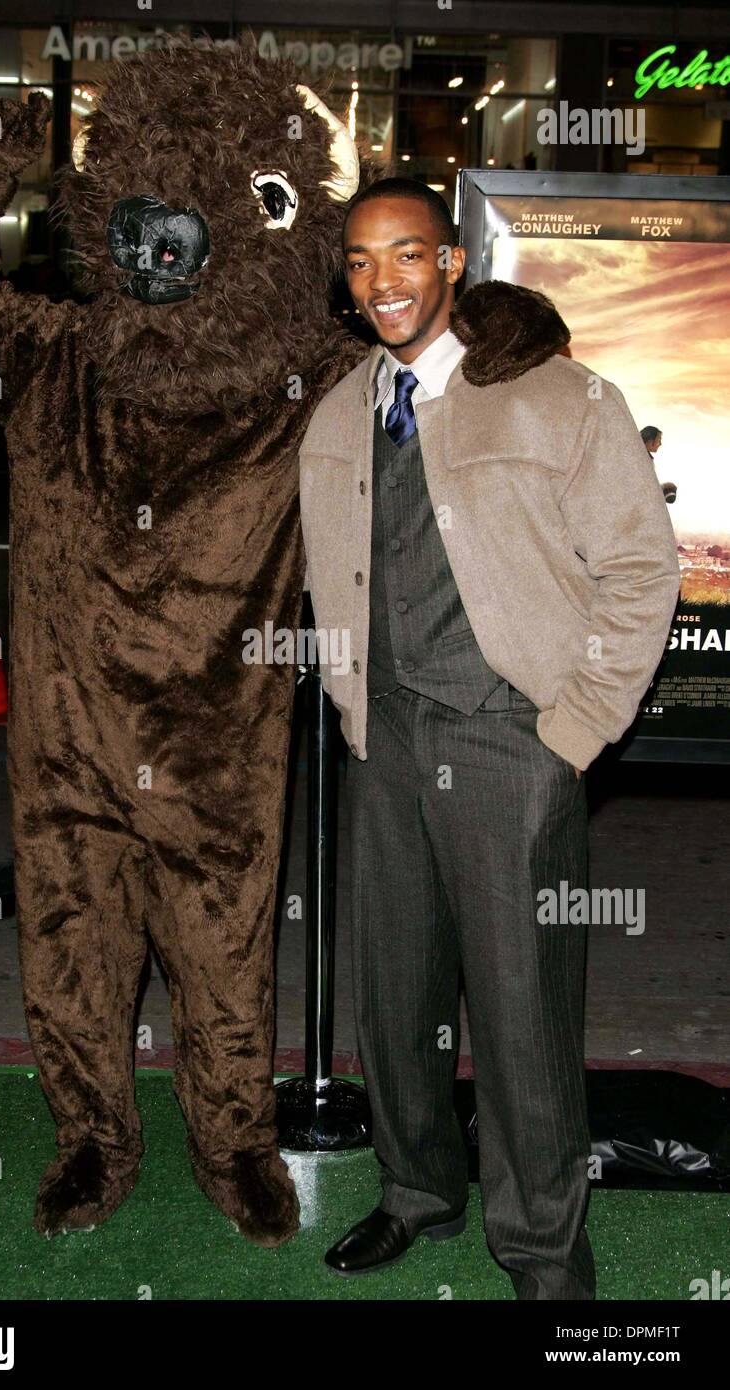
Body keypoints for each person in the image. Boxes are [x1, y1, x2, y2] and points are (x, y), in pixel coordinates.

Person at [299, 178, 680, 1299]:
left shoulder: (560, 398)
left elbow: (641, 570)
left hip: (515, 741)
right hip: (388, 743)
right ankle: (418, 1193)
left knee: (521, 1014)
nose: (385, 282)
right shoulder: (337, 414)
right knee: (396, 997)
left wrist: (573, 731)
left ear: (452, 261)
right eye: (363, 262)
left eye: (407, 255)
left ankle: (545, 1253)